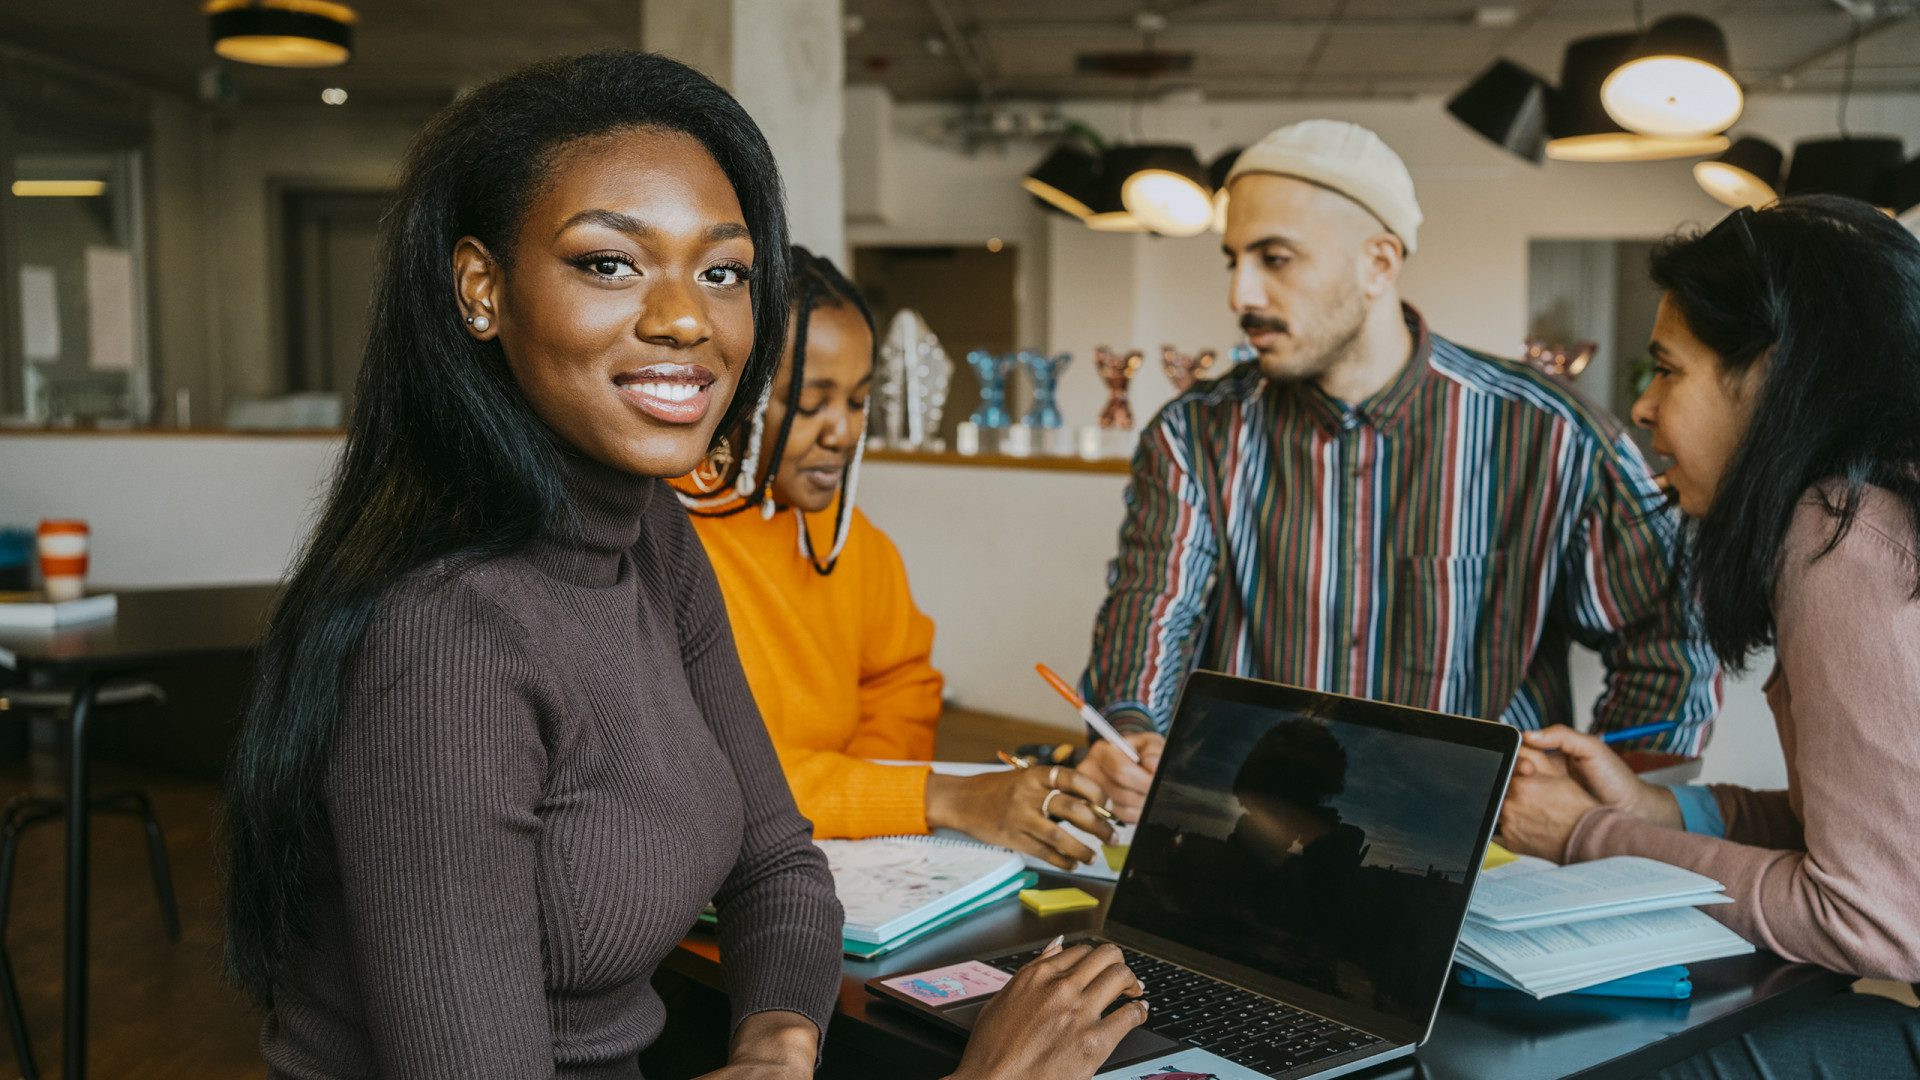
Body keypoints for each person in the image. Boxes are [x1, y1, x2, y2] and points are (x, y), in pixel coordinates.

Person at [222, 51, 1143, 1080]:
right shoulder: (445, 638)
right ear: (481, 290)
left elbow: (780, 866)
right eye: (609, 263)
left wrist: (776, 1045)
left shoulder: (653, 536)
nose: (687, 320)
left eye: (723, 272)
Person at [1078, 120, 1721, 821]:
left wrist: (1606, 800)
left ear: (1379, 262)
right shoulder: (1192, 432)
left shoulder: (1549, 432)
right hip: (1244, 830)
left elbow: (1670, 642)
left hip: (1476, 849)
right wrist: (1132, 730)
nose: (1241, 295)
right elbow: (1151, 613)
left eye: (1275, 258)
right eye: (1232, 260)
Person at [1499, 195, 1920, 1077]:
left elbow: (1870, 915)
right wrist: (1658, 810)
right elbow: (1864, 836)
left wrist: (1587, 837)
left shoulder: (1839, 535)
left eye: (1666, 370)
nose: (1644, 409)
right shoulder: (1875, 514)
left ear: (1771, 372)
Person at [674, 247, 1115, 871]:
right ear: (728, 390)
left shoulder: (854, 540)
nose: (843, 432)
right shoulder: (654, 542)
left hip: (848, 859)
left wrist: (867, 795)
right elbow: (716, 778)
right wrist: (941, 797)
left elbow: (901, 682)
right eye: (809, 403)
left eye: (858, 402)